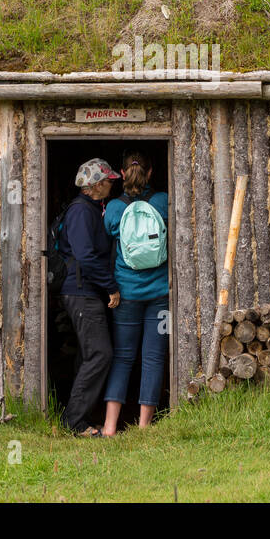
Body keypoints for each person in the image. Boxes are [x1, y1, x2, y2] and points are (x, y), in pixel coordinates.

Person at [101, 150, 169, 436]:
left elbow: (107, 235)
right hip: (160, 293)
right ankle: (143, 427)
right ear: (151, 172)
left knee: (122, 357)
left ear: (123, 173)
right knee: (153, 357)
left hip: (125, 293)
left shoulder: (115, 208)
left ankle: (109, 427)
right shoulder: (163, 201)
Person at [57, 157, 121, 437]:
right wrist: (110, 286)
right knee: (100, 354)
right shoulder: (82, 212)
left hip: (85, 292)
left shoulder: (92, 209)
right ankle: (75, 421)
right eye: (108, 181)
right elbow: (85, 256)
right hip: (82, 293)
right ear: (95, 185)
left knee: (88, 355)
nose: (111, 185)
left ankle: (78, 417)